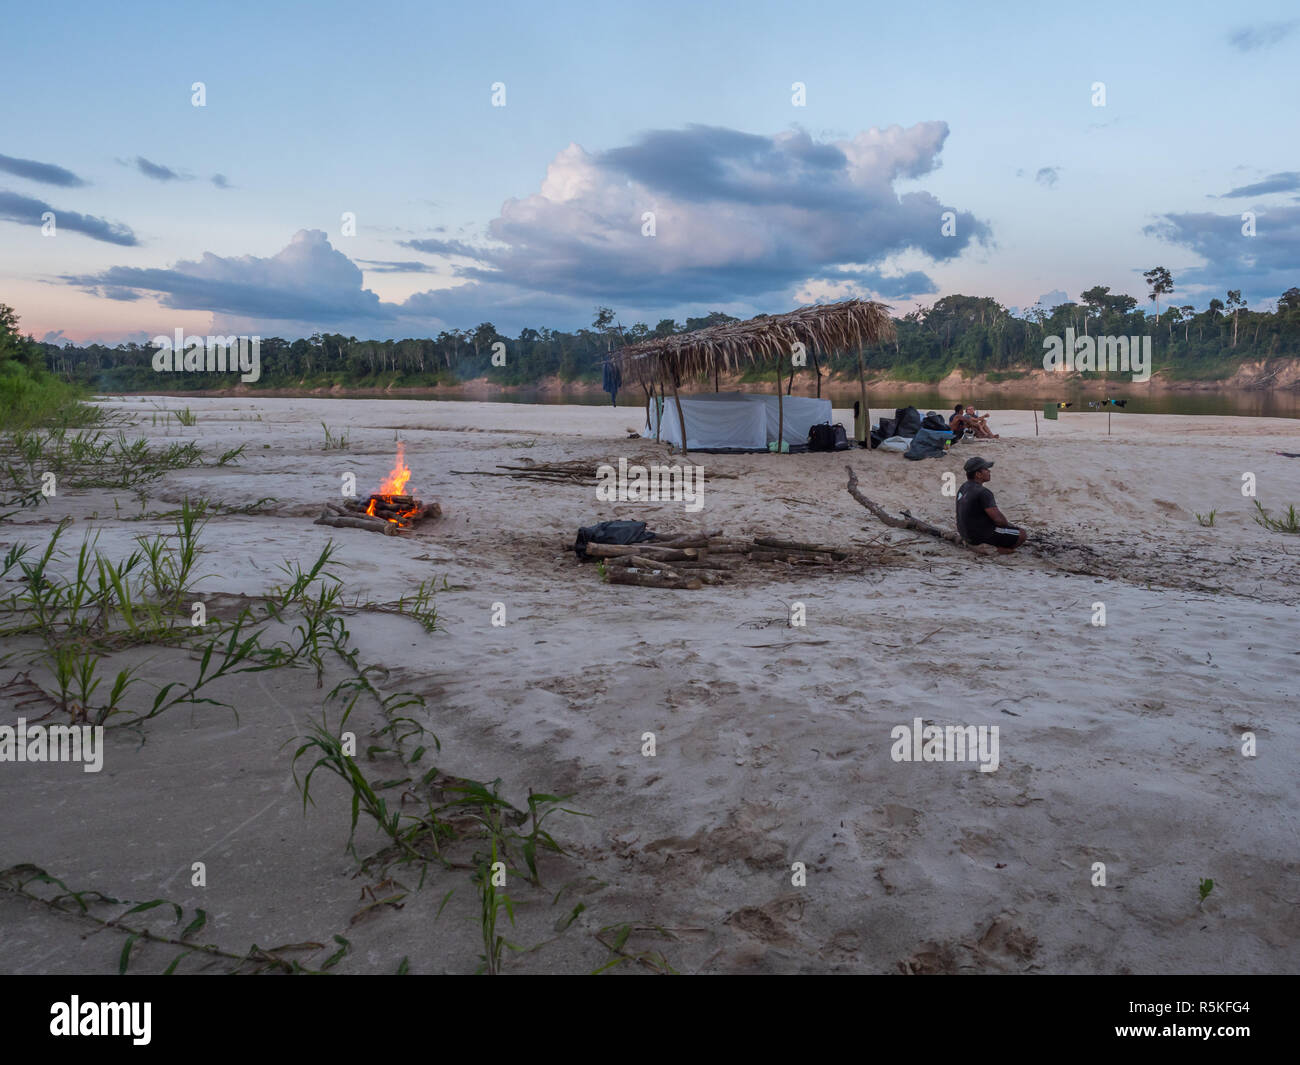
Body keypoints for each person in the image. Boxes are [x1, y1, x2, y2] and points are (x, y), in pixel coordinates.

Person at [956, 456, 1026, 553]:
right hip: (978, 536)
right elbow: (999, 520)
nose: (989, 471)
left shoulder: (963, 487)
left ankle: (987, 545)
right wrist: (1008, 525)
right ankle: (997, 550)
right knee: (1022, 534)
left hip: (965, 533)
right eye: (986, 469)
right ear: (978, 474)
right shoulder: (983, 492)